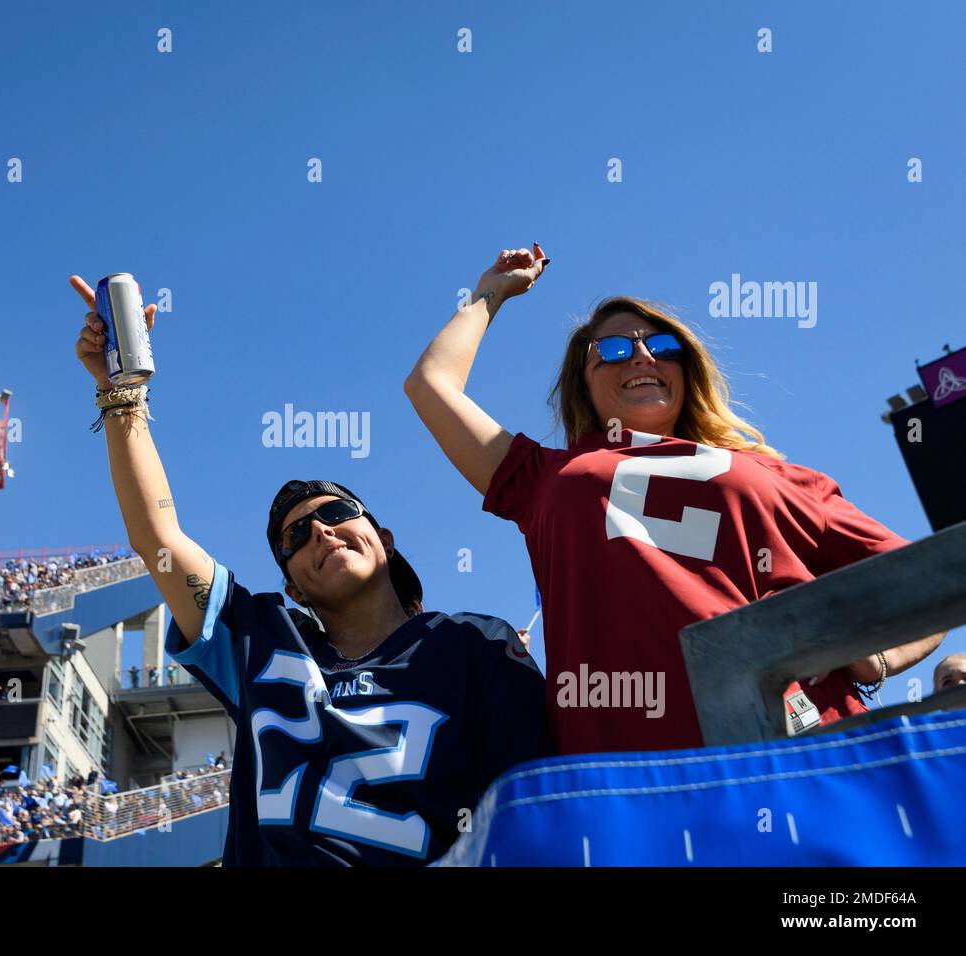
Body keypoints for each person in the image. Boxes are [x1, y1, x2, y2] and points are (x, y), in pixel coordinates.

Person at [71, 275, 552, 865]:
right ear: (292, 585)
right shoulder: (260, 642)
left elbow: (531, 809)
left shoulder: (475, 643)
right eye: (296, 536)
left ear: (385, 539)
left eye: (336, 513)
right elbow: (158, 537)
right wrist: (123, 394)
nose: (320, 530)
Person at [405, 245, 946, 755]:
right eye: (613, 349)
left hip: (798, 745)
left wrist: (876, 655)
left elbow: (926, 582)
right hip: (633, 781)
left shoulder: (778, 475)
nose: (641, 354)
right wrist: (492, 290)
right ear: (583, 384)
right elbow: (431, 385)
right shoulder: (544, 477)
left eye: (661, 345)